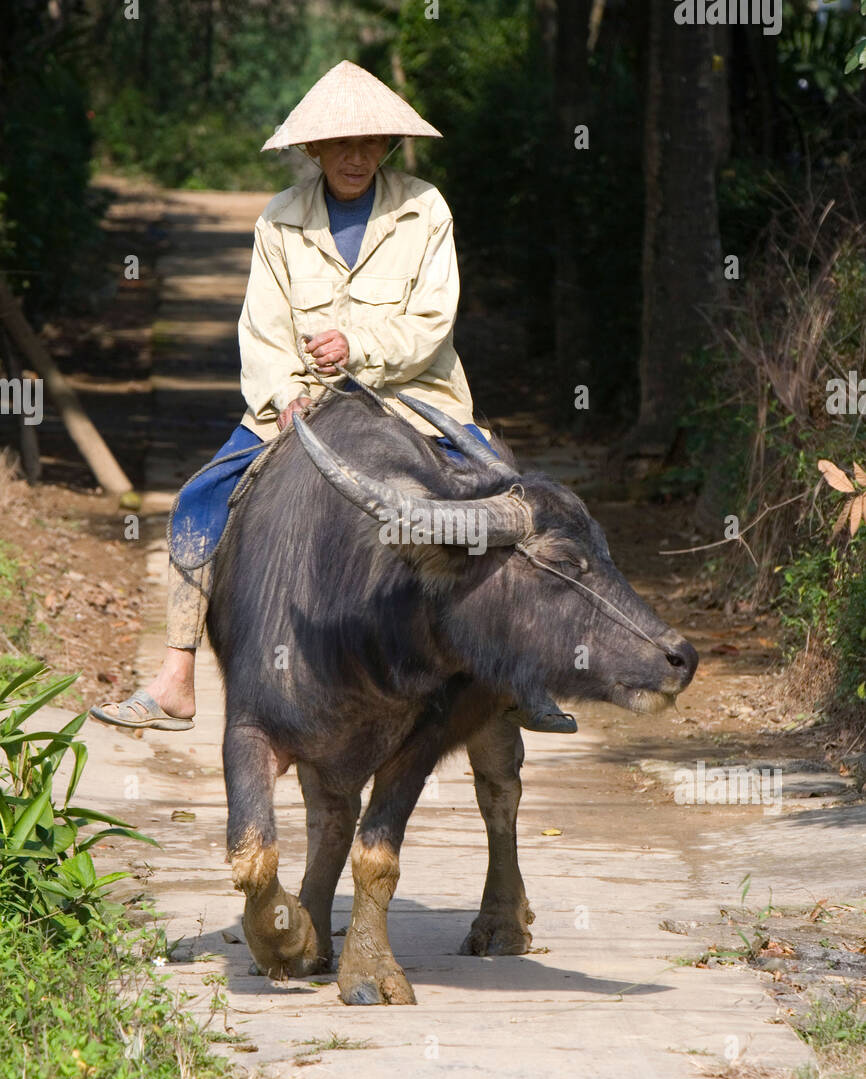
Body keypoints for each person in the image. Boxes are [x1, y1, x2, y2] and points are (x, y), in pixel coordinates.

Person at [91, 60, 574, 735]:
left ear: (388, 146)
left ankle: (518, 674)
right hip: (300, 408)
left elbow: (434, 322)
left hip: (415, 397)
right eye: (340, 145)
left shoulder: (424, 208)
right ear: (312, 150)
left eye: (370, 142)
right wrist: (285, 395)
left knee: (508, 500)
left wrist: (359, 343)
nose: (356, 157)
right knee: (200, 500)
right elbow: (262, 328)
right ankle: (176, 674)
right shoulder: (279, 221)